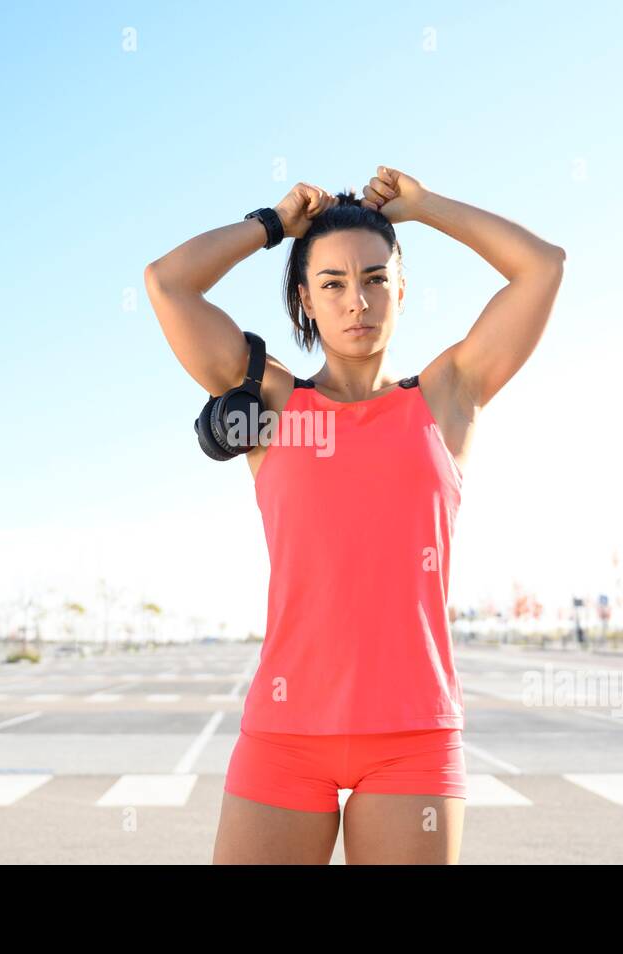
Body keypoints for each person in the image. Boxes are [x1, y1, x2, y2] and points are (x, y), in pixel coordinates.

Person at [144, 167, 565, 864]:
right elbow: (166, 282)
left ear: (400, 289)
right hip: (284, 733)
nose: (356, 302)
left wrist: (426, 208)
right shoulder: (272, 402)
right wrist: (274, 223)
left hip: (413, 739)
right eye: (333, 284)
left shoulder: (447, 395)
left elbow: (542, 267)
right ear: (305, 300)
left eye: (374, 279)